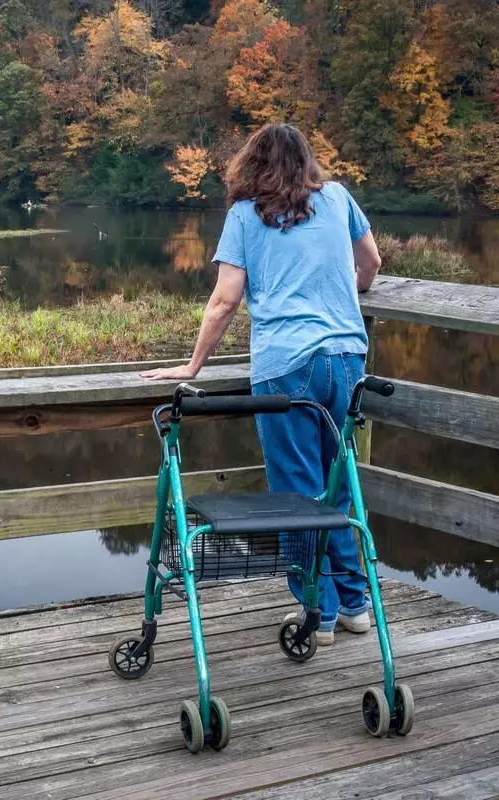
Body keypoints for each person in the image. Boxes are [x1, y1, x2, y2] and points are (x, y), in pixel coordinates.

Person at [141, 123, 383, 645]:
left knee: (296, 490)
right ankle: (357, 604)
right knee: (337, 482)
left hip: (287, 365)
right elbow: (371, 264)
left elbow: (227, 298)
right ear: (307, 162)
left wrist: (192, 367)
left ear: (252, 166)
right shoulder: (338, 198)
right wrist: (349, 293)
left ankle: (318, 614)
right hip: (346, 356)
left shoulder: (246, 217)